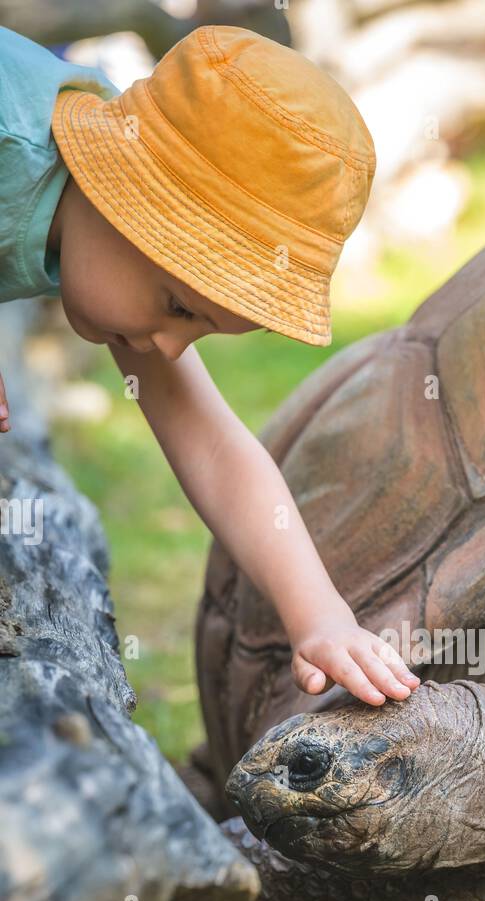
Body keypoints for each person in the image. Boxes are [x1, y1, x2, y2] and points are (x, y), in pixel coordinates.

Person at [0, 23, 420, 707]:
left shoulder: (100, 225)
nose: (168, 346)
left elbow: (214, 443)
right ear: (119, 196)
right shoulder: (9, 138)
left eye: (200, 330)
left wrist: (318, 615)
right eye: (177, 305)